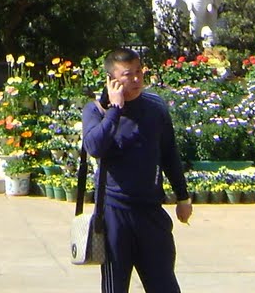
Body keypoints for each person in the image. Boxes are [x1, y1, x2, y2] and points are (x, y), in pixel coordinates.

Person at [81, 47, 193, 293]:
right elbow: (95, 147)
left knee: (164, 285)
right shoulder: (96, 111)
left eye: (139, 72)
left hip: (150, 212)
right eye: (128, 74)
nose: (136, 80)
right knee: (114, 288)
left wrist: (182, 196)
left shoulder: (155, 108)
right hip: (114, 213)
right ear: (111, 80)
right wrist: (115, 110)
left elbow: (169, 154)